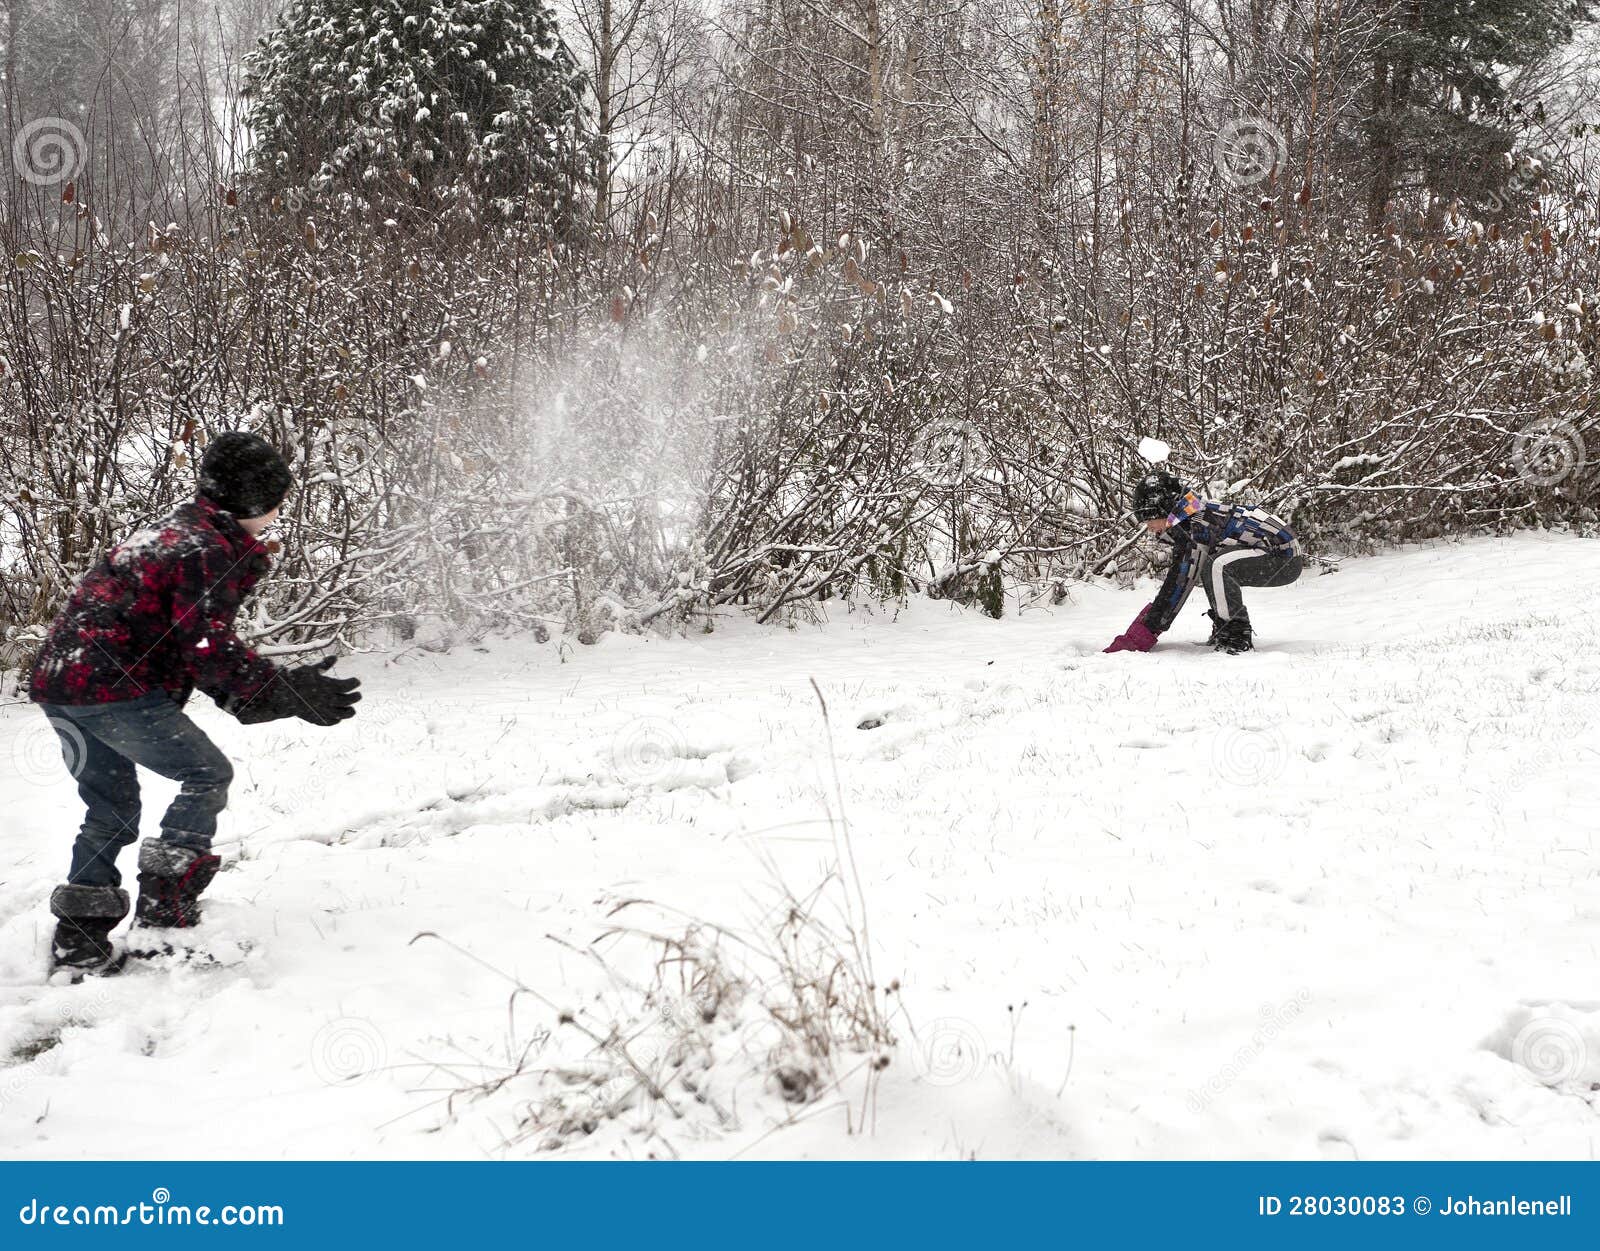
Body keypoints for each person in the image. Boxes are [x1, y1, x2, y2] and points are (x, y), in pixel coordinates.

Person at [28, 431, 362, 974]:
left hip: (63, 686)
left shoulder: (174, 533)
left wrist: (263, 693)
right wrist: (283, 690)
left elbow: (188, 643)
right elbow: (206, 645)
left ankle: (79, 938)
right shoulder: (207, 549)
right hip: (118, 689)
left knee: (111, 809)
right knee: (207, 775)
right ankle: (164, 915)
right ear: (254, 502)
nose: (277, 515)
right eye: (276, 504)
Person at [1104, 469, 1302, 655]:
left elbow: (1181, 582)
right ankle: (1225, 629)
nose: (1149, 527)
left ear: (1166, 510)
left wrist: (1145, 631)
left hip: (1283, 557)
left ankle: (1235, 636)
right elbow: (1181, 578)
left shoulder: (1198, 524)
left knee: (1217, 566)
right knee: (1215, 567)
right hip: (1277, 555)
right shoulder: (1191, 518)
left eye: (1149, 520)